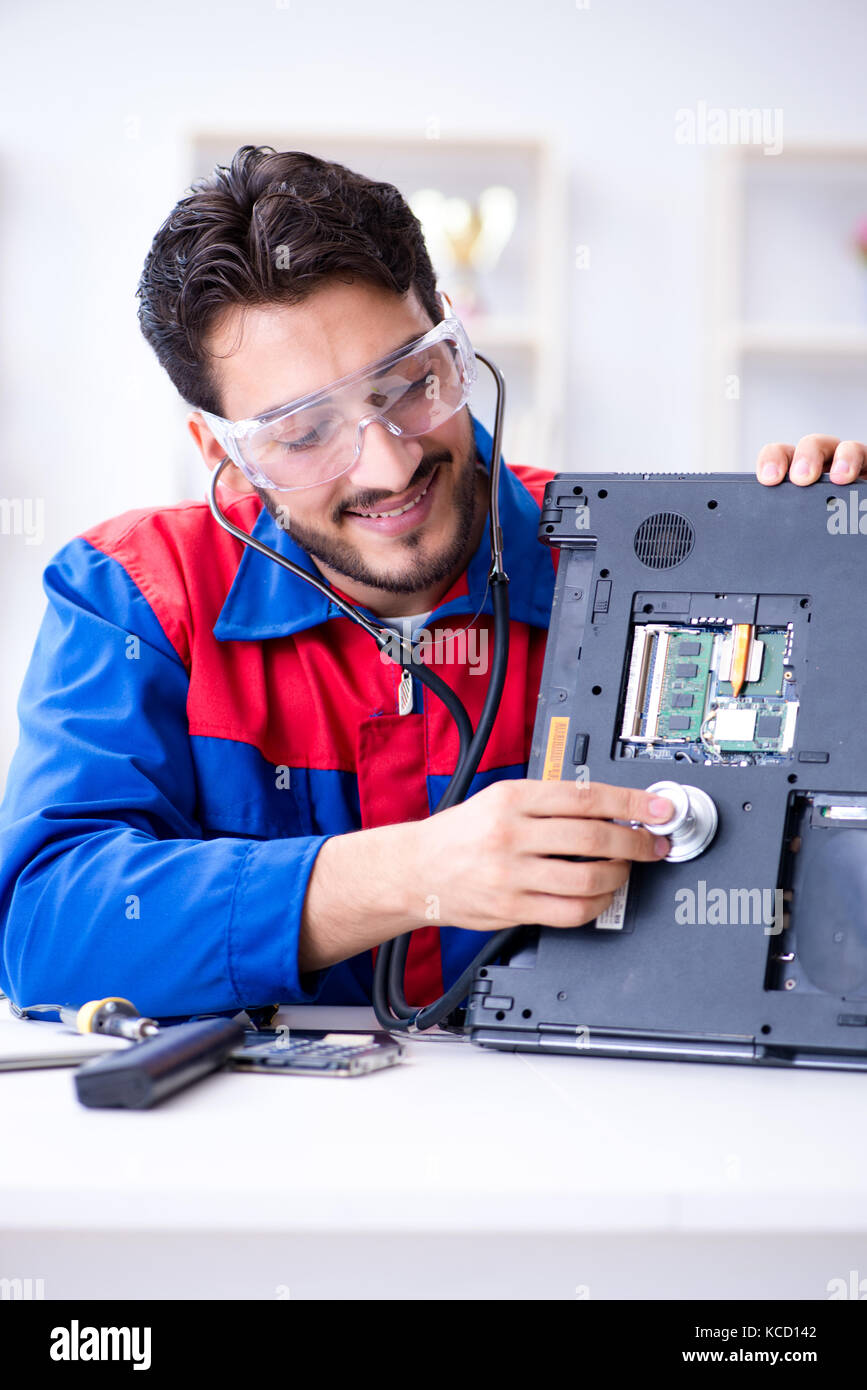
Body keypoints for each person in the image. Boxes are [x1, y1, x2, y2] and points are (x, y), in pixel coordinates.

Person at [0, 146, 854, 1021]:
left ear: (454, 336)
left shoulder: (655, 565)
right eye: (302, 434)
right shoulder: (136, 591)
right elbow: (44, 929)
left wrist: (837, 567)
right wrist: (409, 874)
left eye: (411, 382)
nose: (389, 463)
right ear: (223, 453)